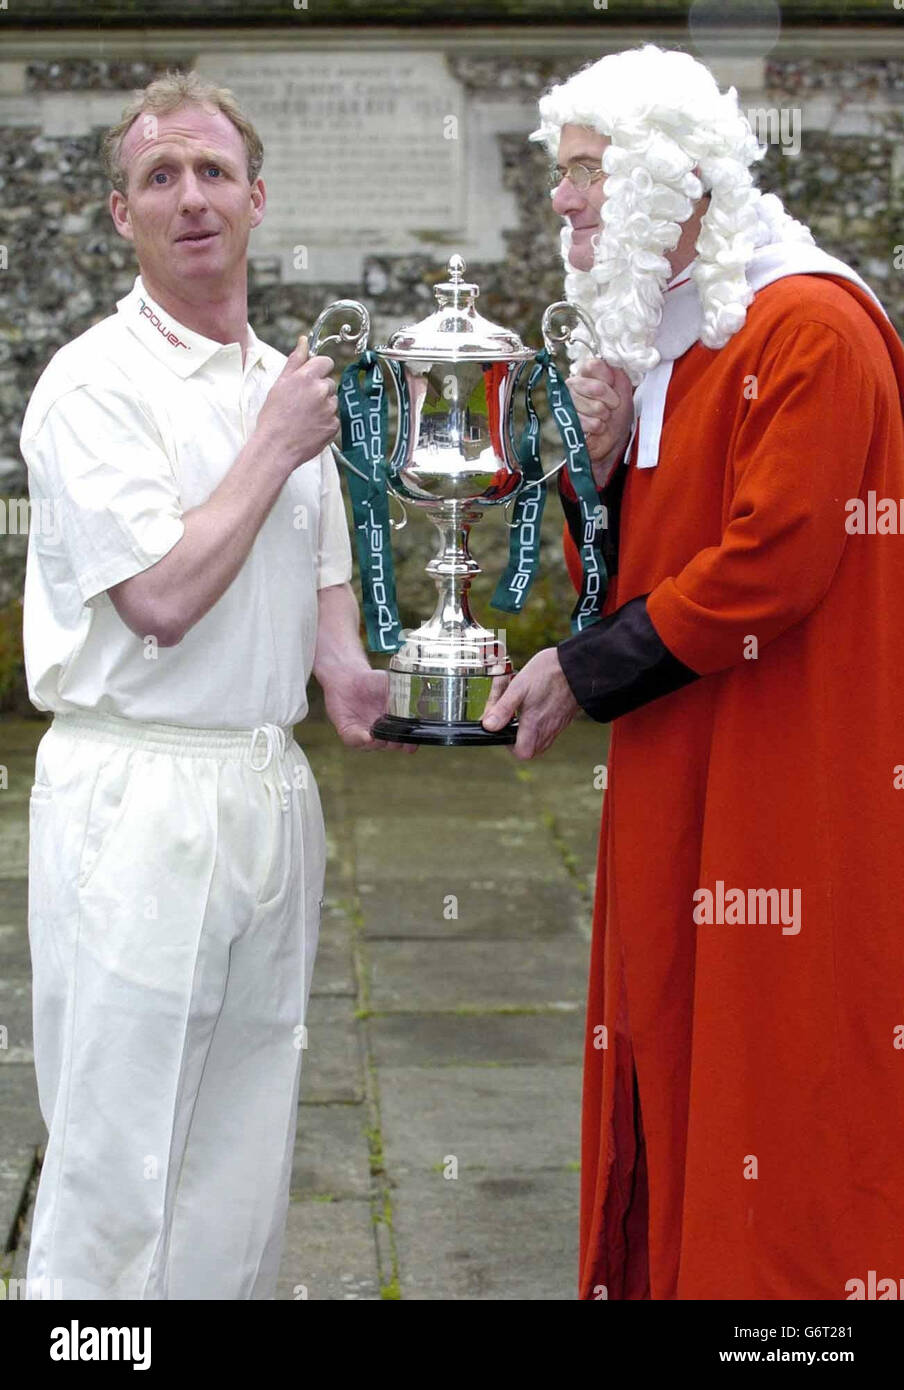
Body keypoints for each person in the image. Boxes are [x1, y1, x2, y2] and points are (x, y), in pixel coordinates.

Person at [482, 45, 904, 1299]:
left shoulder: (811, 324)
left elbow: (771, 566)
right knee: (672, 1051)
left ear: (671, 177)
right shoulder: (679, 337)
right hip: (682, 767)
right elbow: (630, 572)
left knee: (781, 1064)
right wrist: (600, 469)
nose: (563, 203)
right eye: (563, 178)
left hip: (788, 773)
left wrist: (574, 672)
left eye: (586, 176)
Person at [19, 70, 408, 1302]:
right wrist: (275, 442)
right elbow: (163, 601)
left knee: (243, 1147)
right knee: (118, 1152)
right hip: (138, 790)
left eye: (213, 173)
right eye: (158, 177)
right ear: (120, 215)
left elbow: (325, 588)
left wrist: (376, 679)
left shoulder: (278, 385)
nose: (191, 198)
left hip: (261, 782)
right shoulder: (92, 384)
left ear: (255, 200)